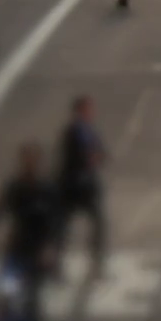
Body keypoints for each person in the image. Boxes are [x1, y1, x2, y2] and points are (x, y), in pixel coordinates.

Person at [0, 145, 57, 321]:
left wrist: (50, 248)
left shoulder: (47, 188)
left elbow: (55, 221)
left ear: (39, 163)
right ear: (22, 162)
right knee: (7, 296)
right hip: (15, 250)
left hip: (37, 253)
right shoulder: (14, 187)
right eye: (26, 160)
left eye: (33, 160)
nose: (30, 164)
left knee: (33, 302)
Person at [55, 95, 108, 277]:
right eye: (87, 109)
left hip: (86, 186)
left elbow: (101, 152)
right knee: (64, 227)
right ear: (78, 111)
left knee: (97, 223)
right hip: (72, 185)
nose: (91, 112)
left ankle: (96, 263)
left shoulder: (89, 130)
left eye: (90, 109)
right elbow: (78, 156)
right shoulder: (73, 131)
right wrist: (91, 157)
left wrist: (97, 156)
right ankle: (57, 263)